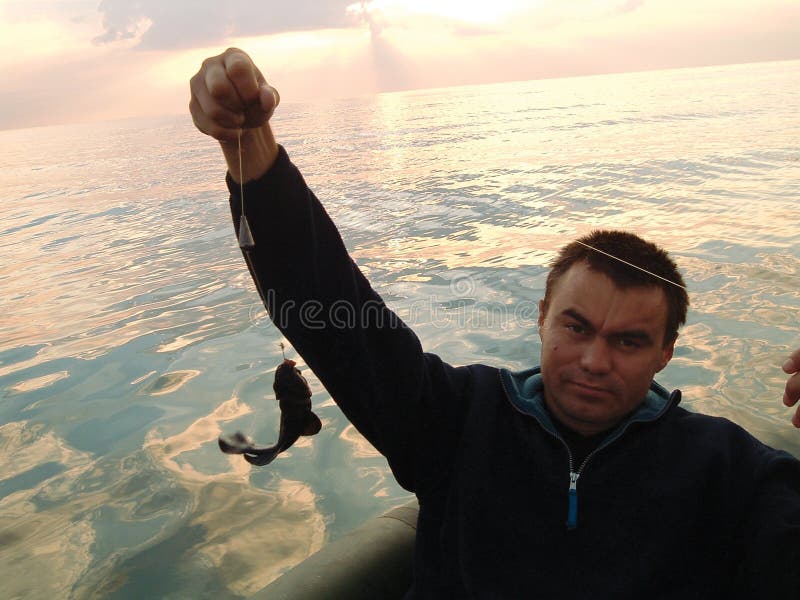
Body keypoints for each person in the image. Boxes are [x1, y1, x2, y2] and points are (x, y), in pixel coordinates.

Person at [190, 48, 800, 599]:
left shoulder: (729, 469)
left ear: (667, 352)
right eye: (577, 327)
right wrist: (252, 147)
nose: (593, 360)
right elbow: (331, 309)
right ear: (541, 319)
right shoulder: (457, 421)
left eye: (630, 341)